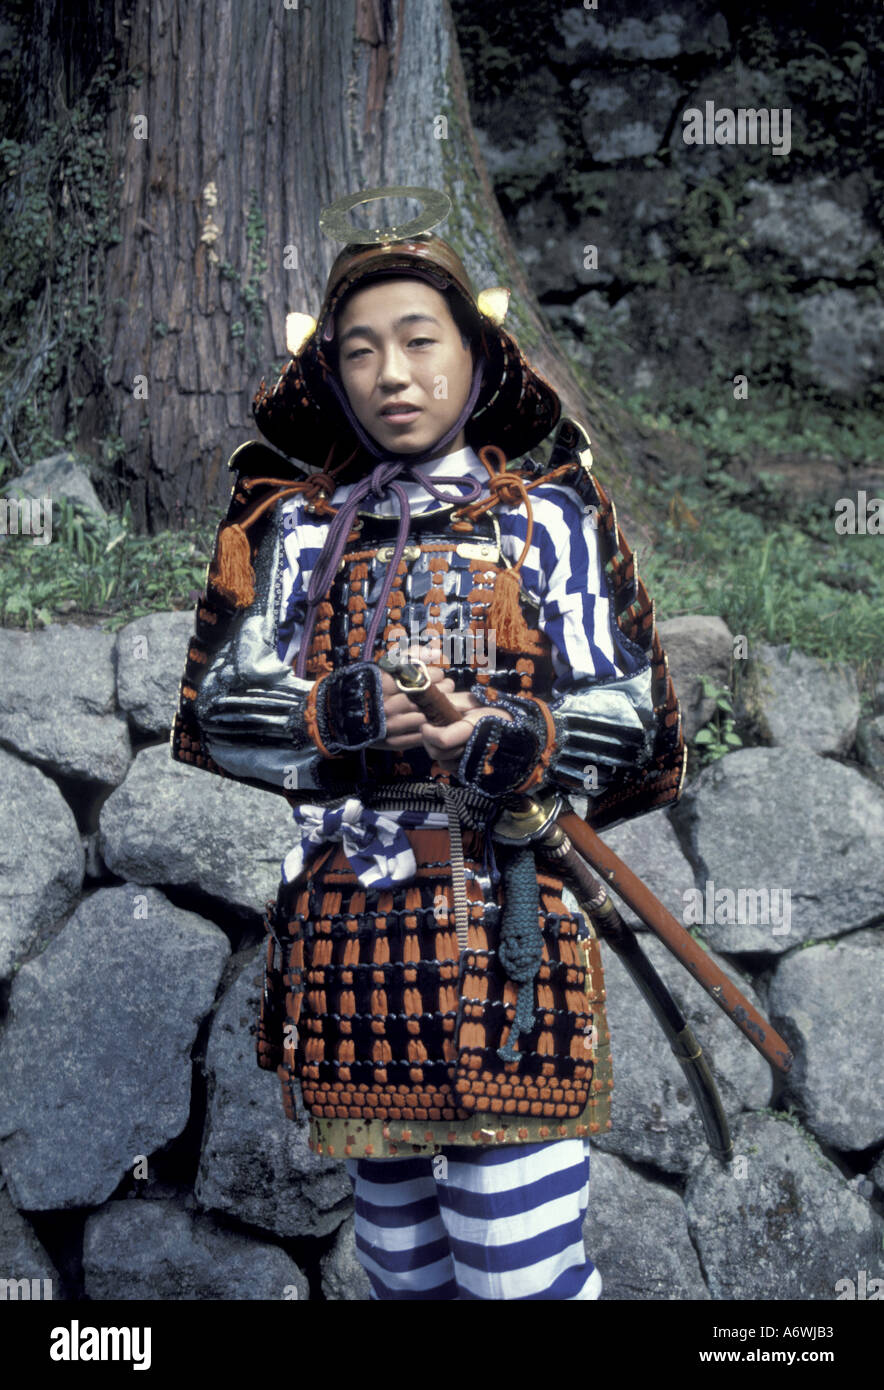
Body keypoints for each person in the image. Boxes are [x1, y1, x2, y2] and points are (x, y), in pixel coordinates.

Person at [170, 189, 684, 1299]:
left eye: (418, 341)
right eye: (359, 352)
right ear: (331, 374)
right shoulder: (299, 527)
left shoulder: (544, 516)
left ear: (474, 354)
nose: (390, 374)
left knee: (516, 1267)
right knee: (400, 1265)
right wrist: (339, 713)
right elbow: (220, 705)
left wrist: (507, 732)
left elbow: (627, 703)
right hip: (352, 937)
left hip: (507, 923)